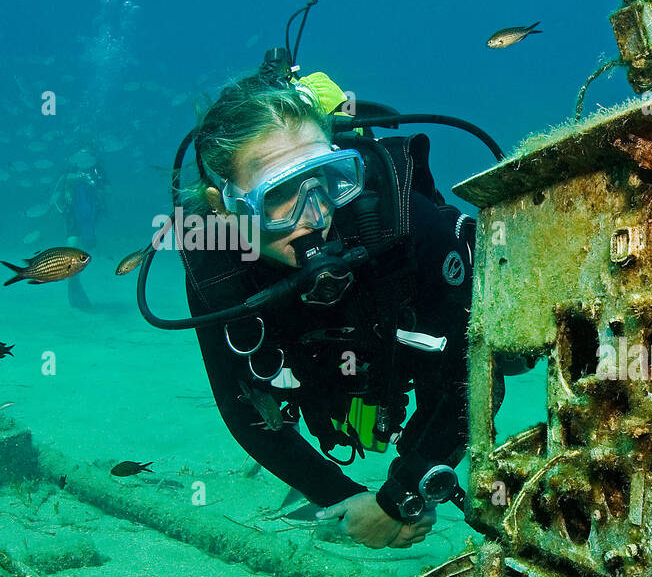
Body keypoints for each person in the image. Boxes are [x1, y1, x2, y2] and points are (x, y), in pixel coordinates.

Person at [181, 73, 480, 549]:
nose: (315, 215)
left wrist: (397, 499)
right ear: (224, 207)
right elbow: (243, 411)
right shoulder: (217, 268)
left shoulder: (400, 220)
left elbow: (469, 381)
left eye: (325, 181)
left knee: (507, 348)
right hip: (339, 377)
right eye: (279, 196)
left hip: (412, 350)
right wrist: (347, 500)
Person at [51, 148, 107, 311]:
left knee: (87, 245)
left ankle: (79, 280)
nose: (84, 162)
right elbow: (56, 192)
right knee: (73, 244)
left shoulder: (97, 170)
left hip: (91, 214)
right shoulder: (69, 172)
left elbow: (105, 189)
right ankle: (73, 280)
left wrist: (94, 183)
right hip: (73, 214)